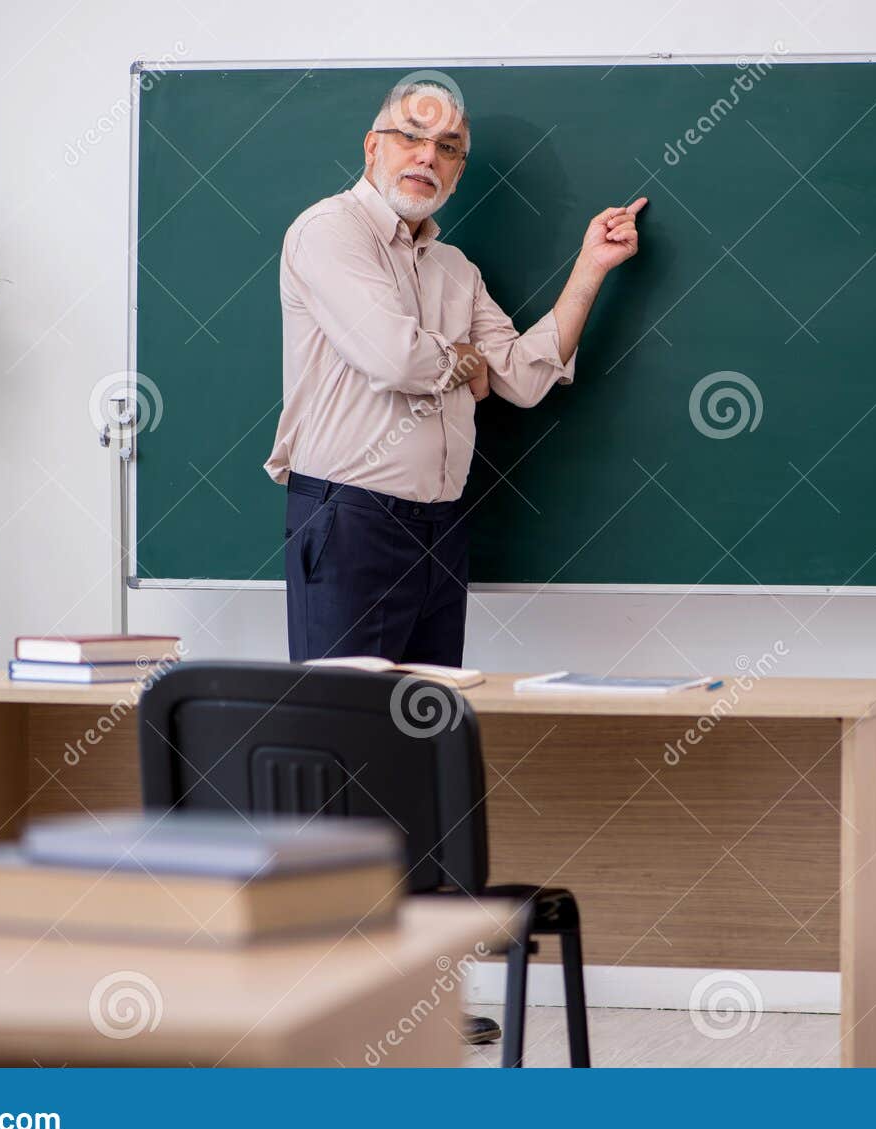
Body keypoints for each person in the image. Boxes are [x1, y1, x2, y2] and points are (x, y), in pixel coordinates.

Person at [262, 77, 646, 1047]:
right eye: (412, 136)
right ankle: (331, 1005)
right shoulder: (327, 234)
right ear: (373, 143)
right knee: (344, 767)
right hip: (347, 522)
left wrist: (589, 270)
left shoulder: (455, 267)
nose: (428, 156)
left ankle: (415, 1000)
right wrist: (457, 362)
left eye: (450, 147)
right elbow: (393, 359)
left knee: (419, 760)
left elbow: (515, 378)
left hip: (436, 529)